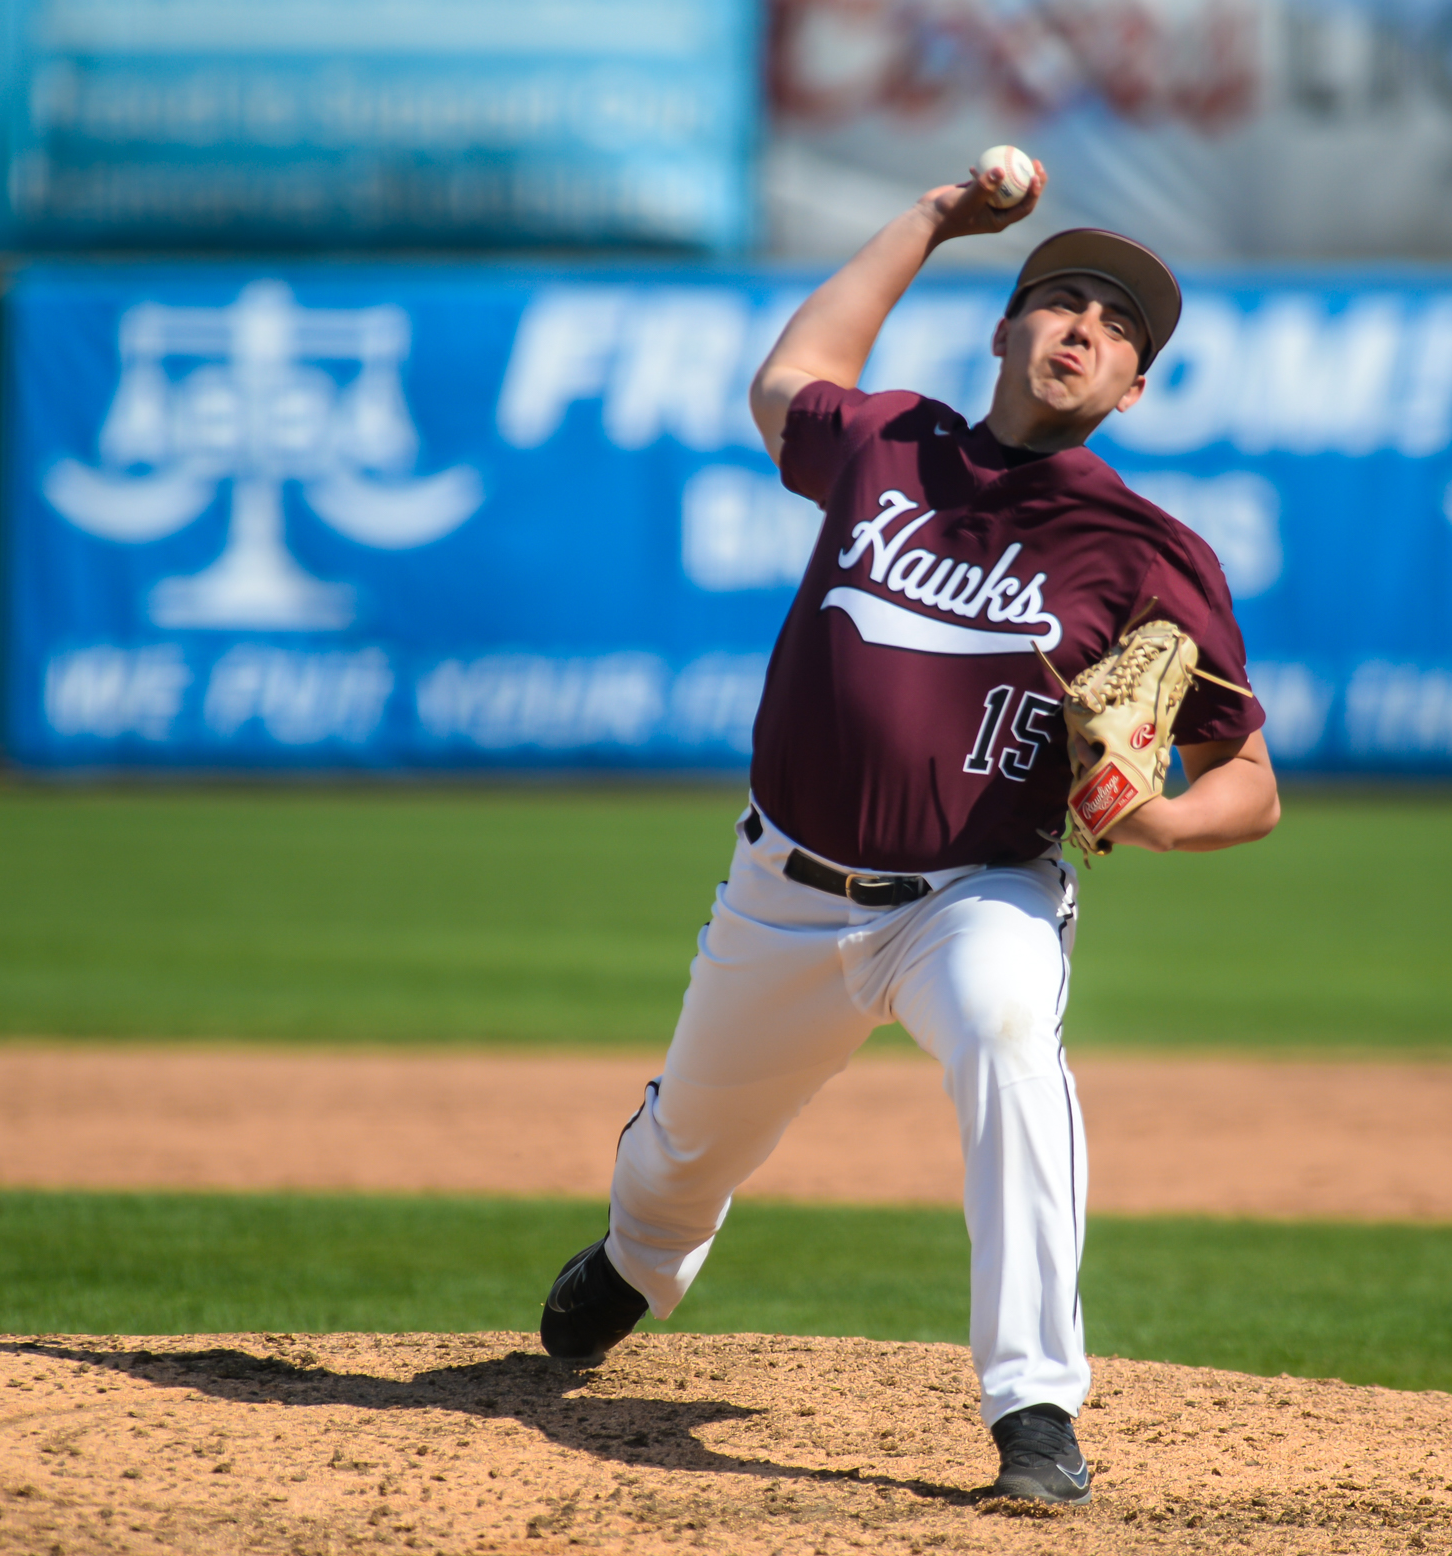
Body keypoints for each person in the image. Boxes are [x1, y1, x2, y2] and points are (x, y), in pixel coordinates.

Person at [534, 161, 1279, 1503]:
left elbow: (1255, 783)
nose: (1084, 333)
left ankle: (1036, 1409)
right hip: (785, 890)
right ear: (1004, 331)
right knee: (675, 1165)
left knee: (1005, 1028)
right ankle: (641, 1264)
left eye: (1118, 332)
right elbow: (787, 376)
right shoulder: (893, 447)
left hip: (973, 897)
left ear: (1133, 390)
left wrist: (1160, 816)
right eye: (1060, 305)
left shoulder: (1149, 552)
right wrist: (933, 221)